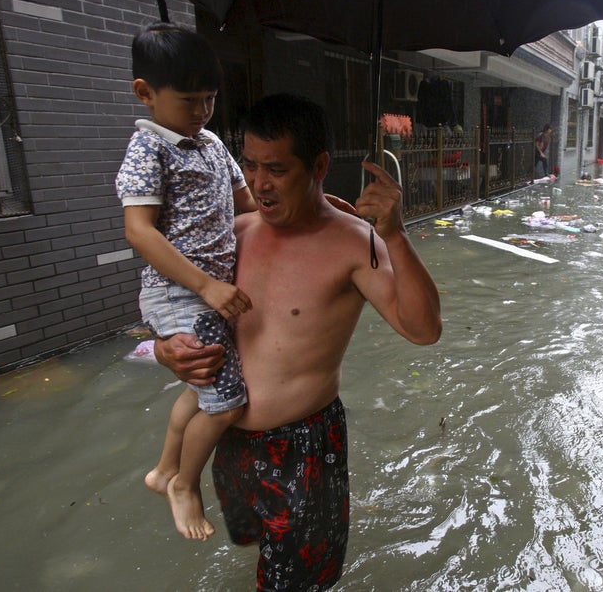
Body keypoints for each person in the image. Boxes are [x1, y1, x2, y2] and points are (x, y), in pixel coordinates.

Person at [153, 94, 442, 590]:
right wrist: (168, 352)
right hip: (226, 439)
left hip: (305, 449)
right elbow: (174, 309)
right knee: (254, 547)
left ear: (319, 166)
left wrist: (394, 235)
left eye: (277, 168)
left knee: (298, 583)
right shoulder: (232, 233)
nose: (259, 183)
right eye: (249, 164)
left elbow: (422, 329)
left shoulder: (356, 242)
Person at [115, 22, 255, 542]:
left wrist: (315, 204)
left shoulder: (211, 141)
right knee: (227, 403)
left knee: (200, 392)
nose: (201, 112)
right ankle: (184, 484)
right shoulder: (147, 149)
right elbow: (139, 232)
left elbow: (247, 206)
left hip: (206, 293)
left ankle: (162, 468)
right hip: (181, 293)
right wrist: (207, 286)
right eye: (189, 100)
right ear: (145, 93)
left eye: (210, 100)